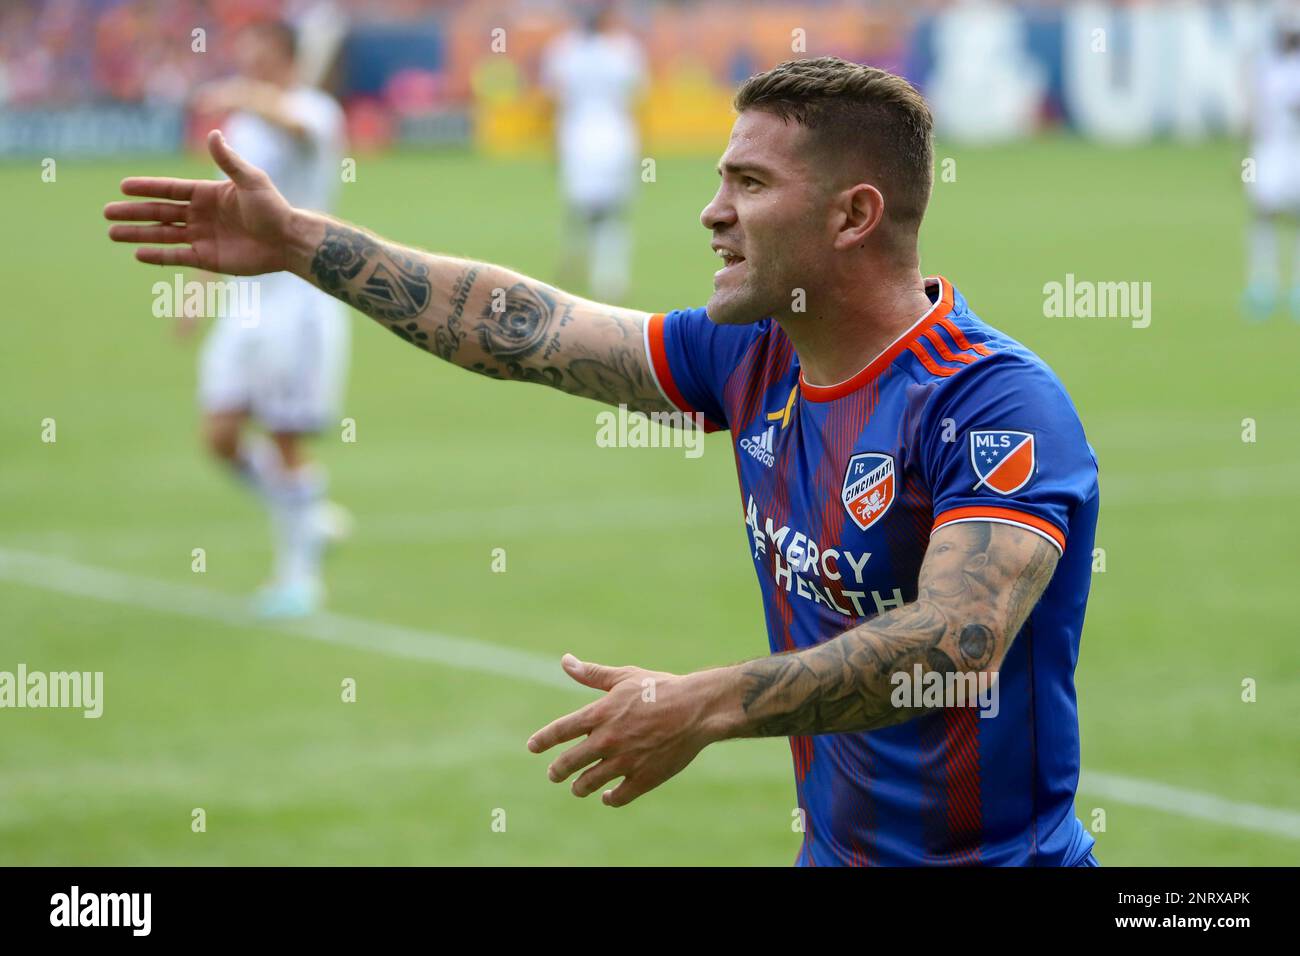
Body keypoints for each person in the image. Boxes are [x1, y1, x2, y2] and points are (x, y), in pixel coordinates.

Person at [106, 57, 1100, 866]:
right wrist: (303, 244)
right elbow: (528, 330)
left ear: (851, 216)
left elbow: (954, 641)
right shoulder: (756, 353)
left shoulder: (991, 402)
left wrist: (700, 703)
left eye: (747, 183)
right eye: (718, 178)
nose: (710, 211)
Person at [187, 20, 349, 617]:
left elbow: (303, 130)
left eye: (258, 49)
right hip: (244, 302)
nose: (247, 58)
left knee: (285, 438)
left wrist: (245, 96)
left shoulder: (314, 109)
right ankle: (312, 515)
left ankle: (299, 578)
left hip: (300, 300)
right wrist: (200, 289)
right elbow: (224, 215)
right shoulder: (243, 123)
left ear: (284, 54)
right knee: (220, 437)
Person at [539, 4, 647, 303]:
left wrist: (552, 142)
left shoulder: (563, 49)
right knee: (613, 211)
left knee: (583, 208)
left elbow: (555, 98)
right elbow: (635, 95)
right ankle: (609, 276)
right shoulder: (624, 49)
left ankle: (578, 260)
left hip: (577, 138)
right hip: (617, 136)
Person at [1244, 11, 1300, 320]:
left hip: (1296, 150)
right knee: (1263, 213)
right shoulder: (1266, 66)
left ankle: (1295, 287)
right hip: (1269, 150)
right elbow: (1255, 113)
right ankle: (1262, 283)